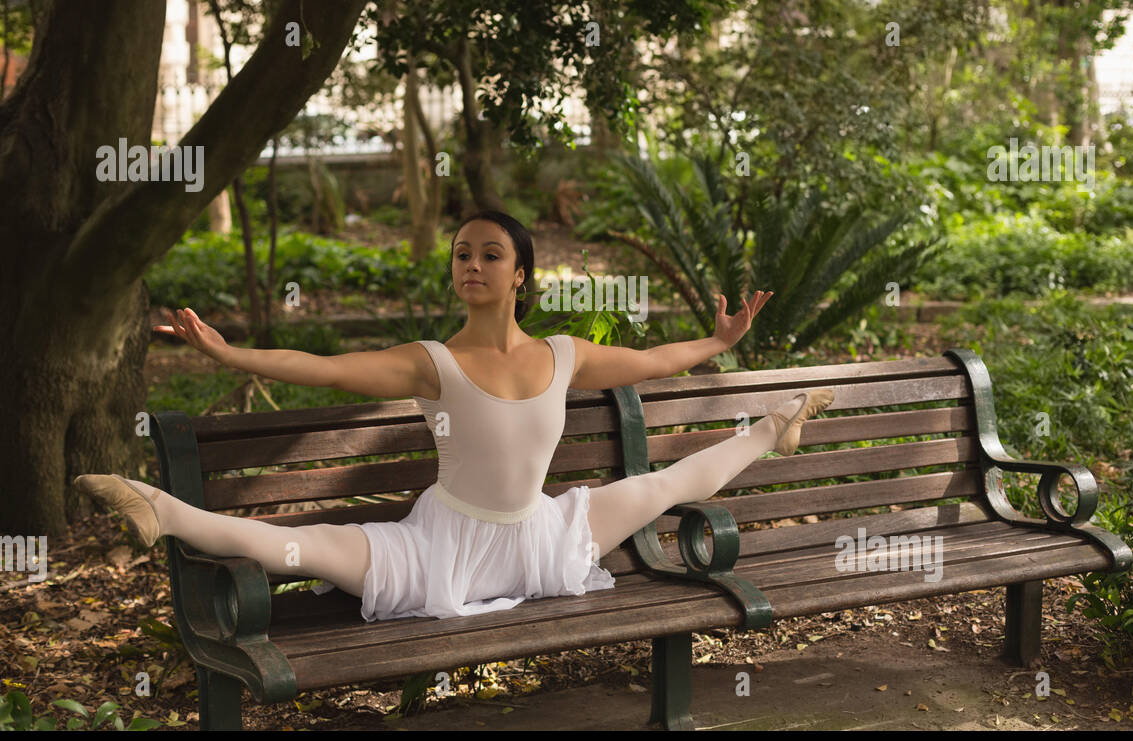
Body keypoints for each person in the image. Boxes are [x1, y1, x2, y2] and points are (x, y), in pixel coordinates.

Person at [74, 210, 833, 622]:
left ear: (521, 275)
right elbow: (327, 370)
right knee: (300, 546)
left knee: (663, 487)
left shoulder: (564, 353)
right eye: (462, 254)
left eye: (490, 254)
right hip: (440, 548)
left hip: (542, 536)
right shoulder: (431, 361)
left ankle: (779, 421)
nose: (471, 264)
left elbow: (657, 361)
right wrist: (232, 354)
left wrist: (718, 340)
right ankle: (161, 508)